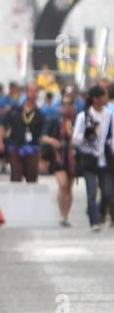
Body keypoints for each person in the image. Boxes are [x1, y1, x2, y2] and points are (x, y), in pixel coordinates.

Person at [70, 84, 112, 230]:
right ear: (95, 99)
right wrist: (87, 137)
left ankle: (100, 212)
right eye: (103, 96)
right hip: (89, 157)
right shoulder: (84, 116)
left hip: (105, 158)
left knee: (107, 191)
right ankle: (94, 221)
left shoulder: (109, 115)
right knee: (91, 191)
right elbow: (76, 138)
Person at [39, 86, 77, 227]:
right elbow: (43, 137)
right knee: (62, 184)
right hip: (57, 156)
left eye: (69, 104)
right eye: (64, 104)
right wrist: (53, 141)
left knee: (69, 187)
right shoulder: (55, 119)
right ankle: (62, 215)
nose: (66, 107)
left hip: (72, 157)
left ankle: (66, 215)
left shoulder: (78, 119)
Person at [0, 80, 44, 183]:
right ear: (26, 92)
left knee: (32, 180)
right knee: (16, 178)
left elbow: (42, 135)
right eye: (31, 90)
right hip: (16, 148)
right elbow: (2, 125)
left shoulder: (40, 114)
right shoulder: (15, 110)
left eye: (35, 91)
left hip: (32, 150)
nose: (33, 93)